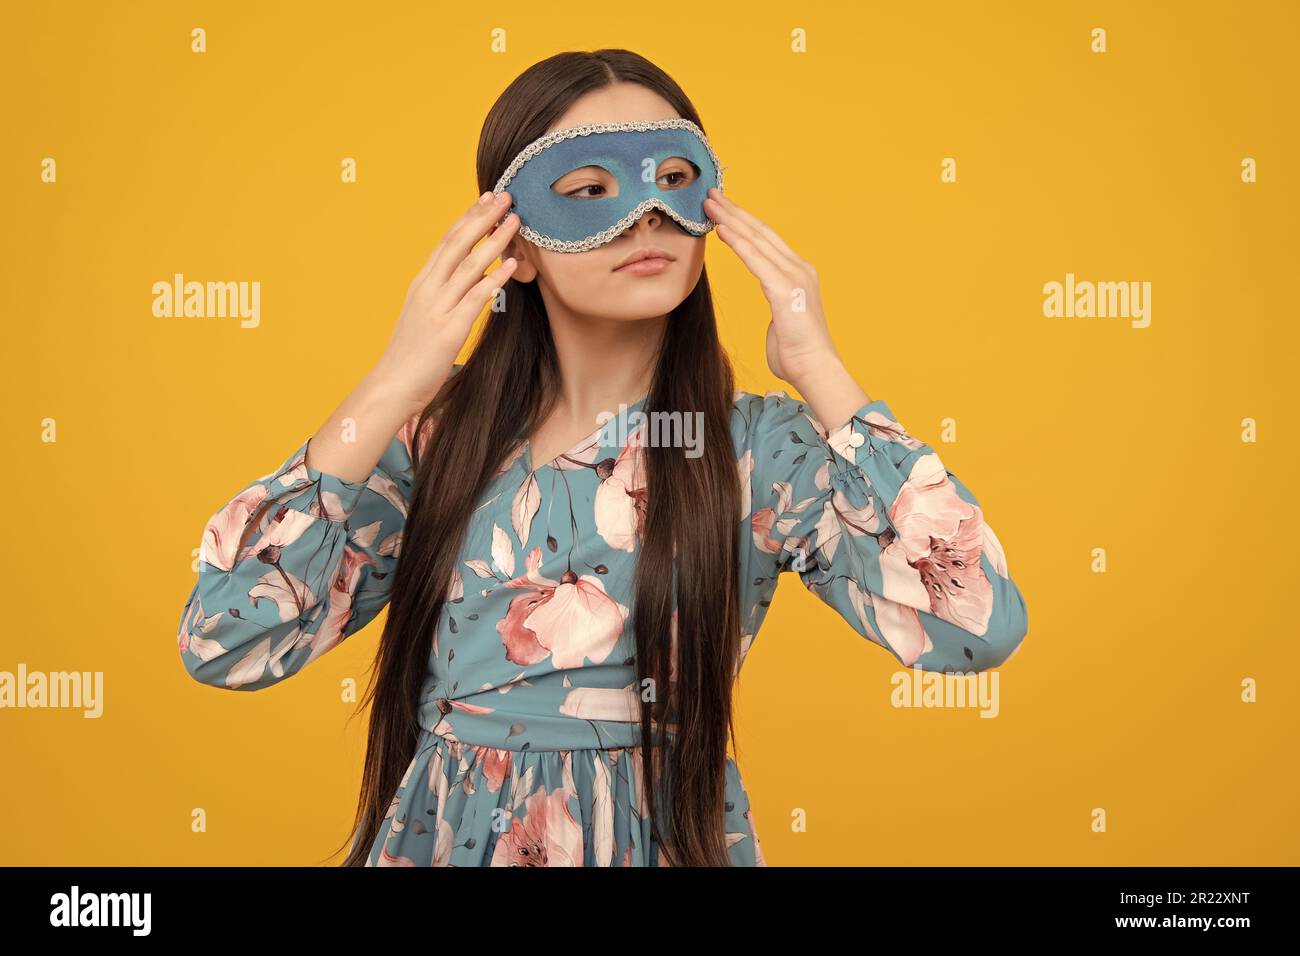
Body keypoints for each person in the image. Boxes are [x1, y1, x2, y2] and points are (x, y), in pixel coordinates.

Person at [175, 49, 1029, 867]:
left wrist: (823, 372)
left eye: (674, 182)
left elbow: (977, 627)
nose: (645, 215)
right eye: (588, 191)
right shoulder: (435, 439)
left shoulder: (757, 451)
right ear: (513, 240)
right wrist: (396, 382)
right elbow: (228, 639)